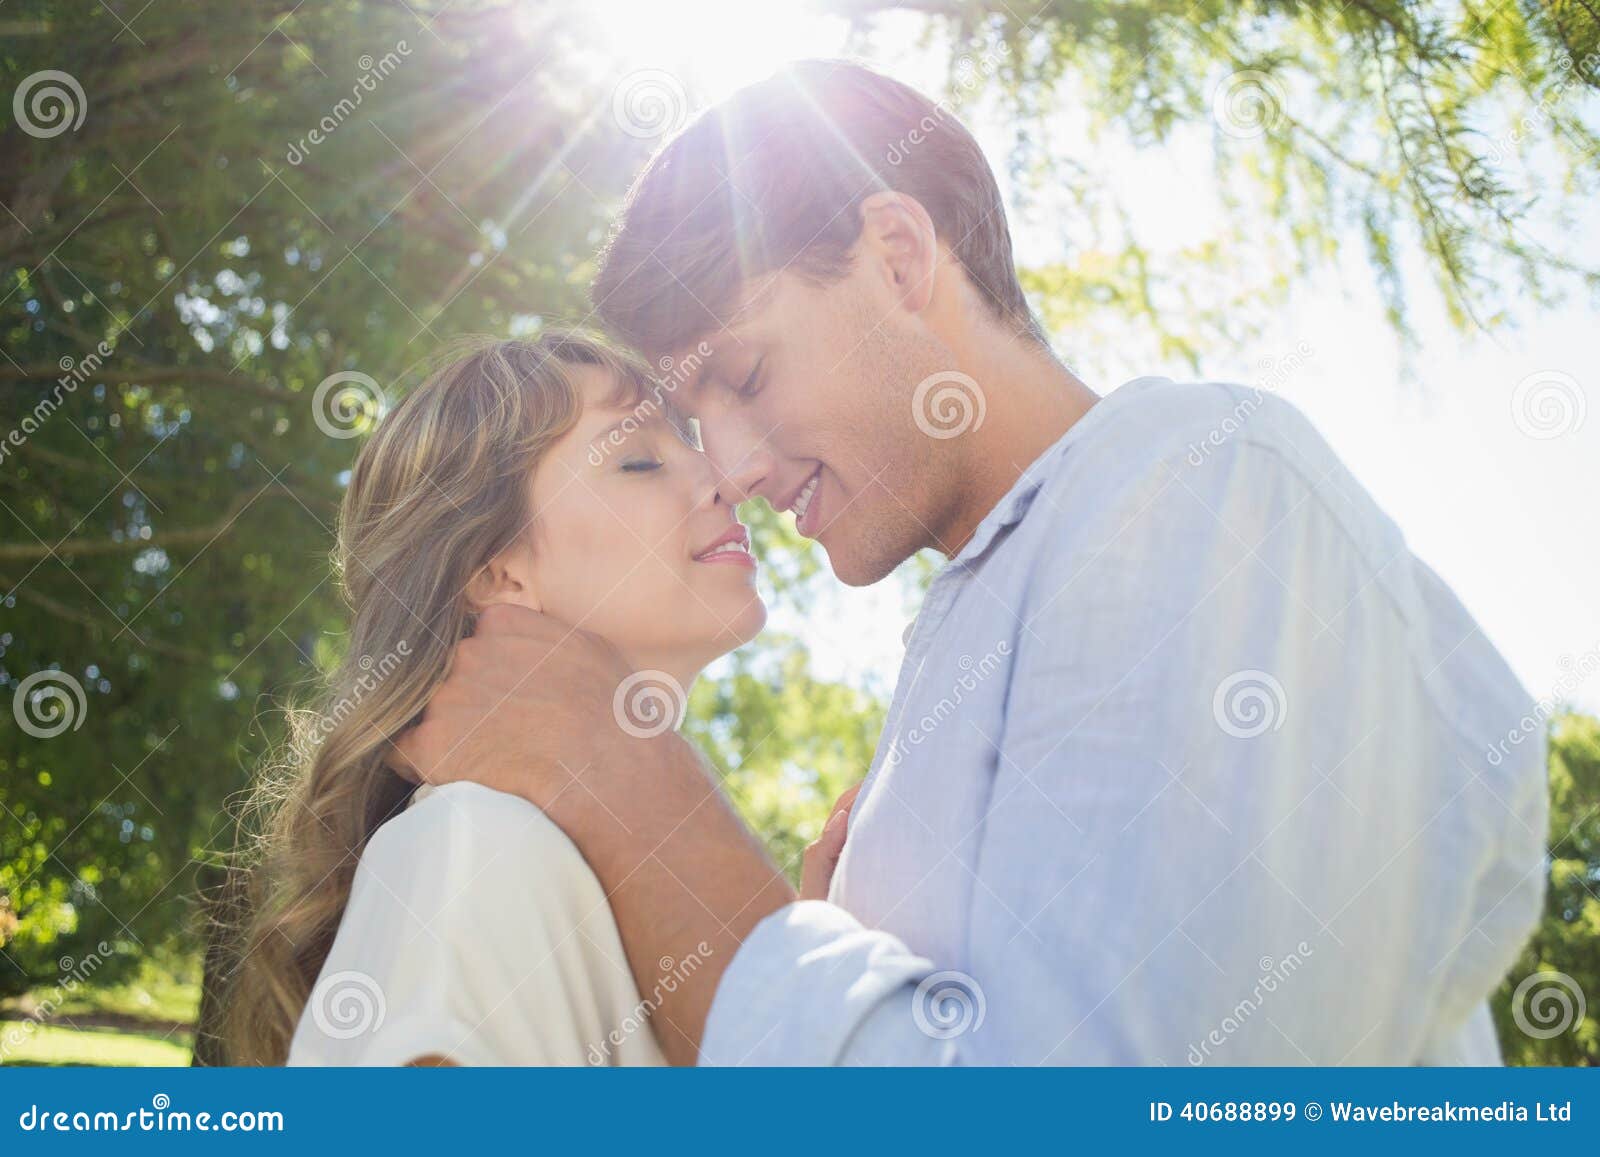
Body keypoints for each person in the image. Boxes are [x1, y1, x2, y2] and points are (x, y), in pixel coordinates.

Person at [396, 61, 1549, 1066]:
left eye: (742, 378)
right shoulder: (982, 627)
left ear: (897, 256)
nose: (729, 467)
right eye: (688, 423)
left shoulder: (1198, 482)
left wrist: (630, 788)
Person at [223, 333, 776, 1066]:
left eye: (688, 441)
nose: (724, 476)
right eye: (639, 460)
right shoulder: (474, 846)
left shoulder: (595, 869)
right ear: (498, 577)